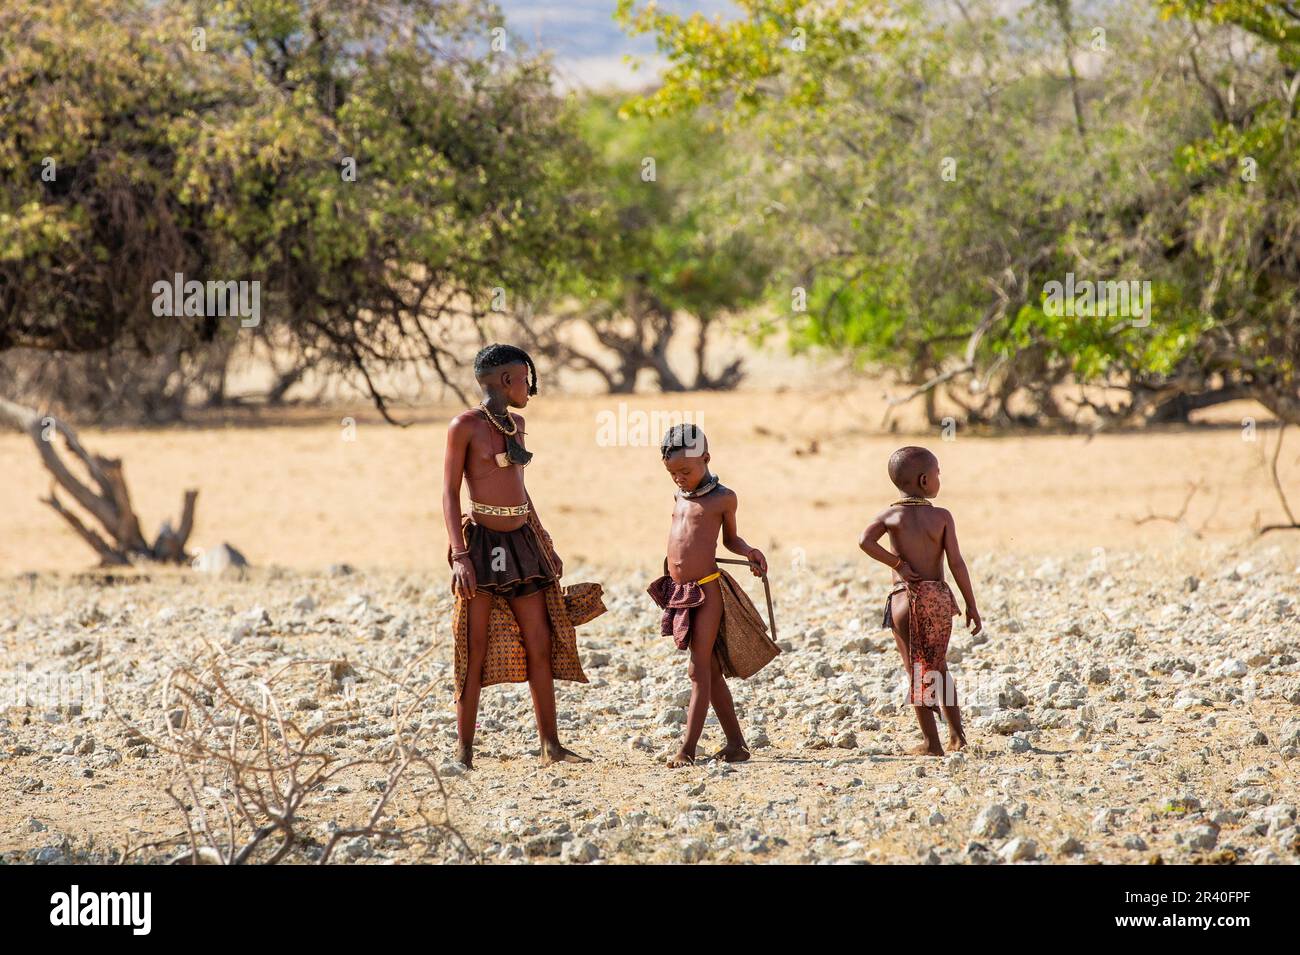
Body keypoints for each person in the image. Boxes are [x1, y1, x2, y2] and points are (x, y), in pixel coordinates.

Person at [442, 343, 590, 768]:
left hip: (522, 541)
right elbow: (450, 495)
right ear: (506, 381)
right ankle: (464, 752)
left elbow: (520, 489)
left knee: (539, 641)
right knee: (472, 644)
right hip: (483, 544)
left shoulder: (516, 424)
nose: (530, 388)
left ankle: (550, 746)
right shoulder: (463, 426)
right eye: (526, 379)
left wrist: (544, 540)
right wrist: (459, 555)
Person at [647, 423, 779, 768]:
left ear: (706, 458)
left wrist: (749, 551)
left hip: (706, 590)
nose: (679, 478)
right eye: (672, 473)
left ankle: (687, 750)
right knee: (711, 670)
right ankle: (736, 745)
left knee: (697, 670)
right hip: (679, 592)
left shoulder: (723, 498)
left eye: (686, 471)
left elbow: (730, 540)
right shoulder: (679, 495)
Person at [858, 446, 982, 756]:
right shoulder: (941, 517)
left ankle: (931, 743)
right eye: (939, 473)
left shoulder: (891, 515)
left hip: (907, 598)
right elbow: (956, 562)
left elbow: (865, 541)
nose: (941, 478)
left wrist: (898, 564)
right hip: (938, 597)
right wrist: (971, 604)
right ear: (925, 480)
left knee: (916, 670)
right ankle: (958, 737)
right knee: (939, 667)